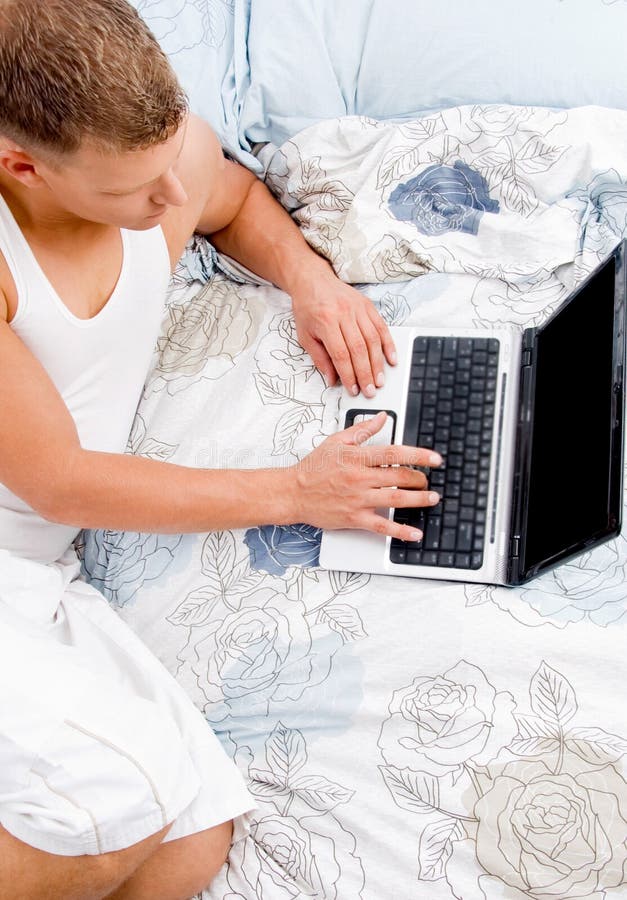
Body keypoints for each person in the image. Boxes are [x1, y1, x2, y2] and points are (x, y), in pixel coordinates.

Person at [0, 1, 441, 897]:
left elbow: (229, 195)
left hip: (41, 574)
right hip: (21, 543)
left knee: (194, 841)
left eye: (170, 164)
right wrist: (298, 491)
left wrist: (310, 280)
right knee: (101, 825)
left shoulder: (158, 164)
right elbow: (60, 482)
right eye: (138, 189)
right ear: (21, 167)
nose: (172, 200)